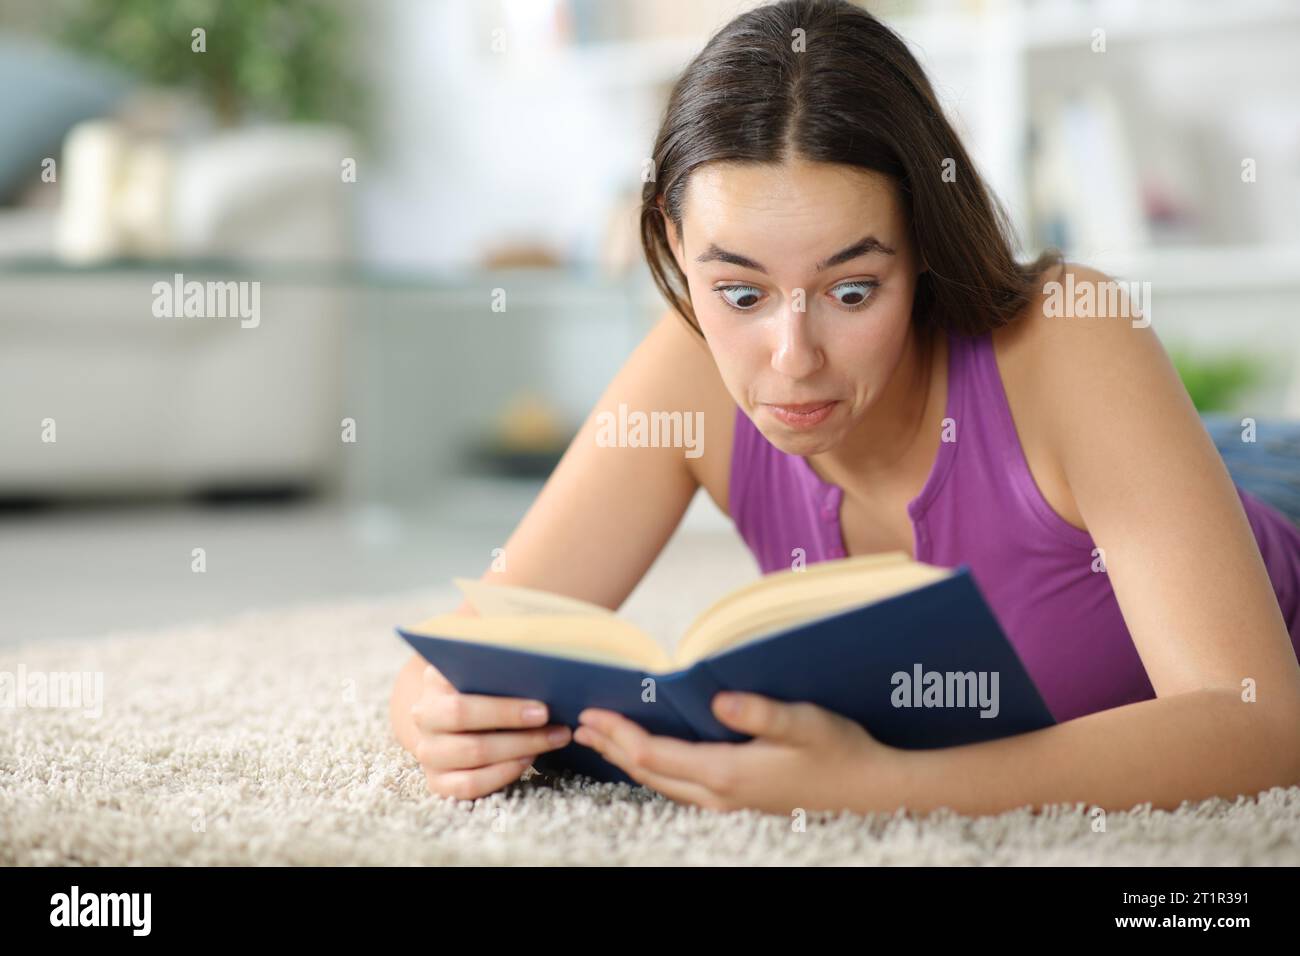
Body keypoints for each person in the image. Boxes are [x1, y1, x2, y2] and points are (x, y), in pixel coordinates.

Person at [390, 0, 1300, 815]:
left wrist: (890, 789)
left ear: (925, 246)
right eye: (741, 293)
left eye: (853, 289)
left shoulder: (1069, 338)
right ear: (674, 241)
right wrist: (437, 717)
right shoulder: (688, 367)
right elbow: (459, 656)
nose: (792, 361)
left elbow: (1261, 727)